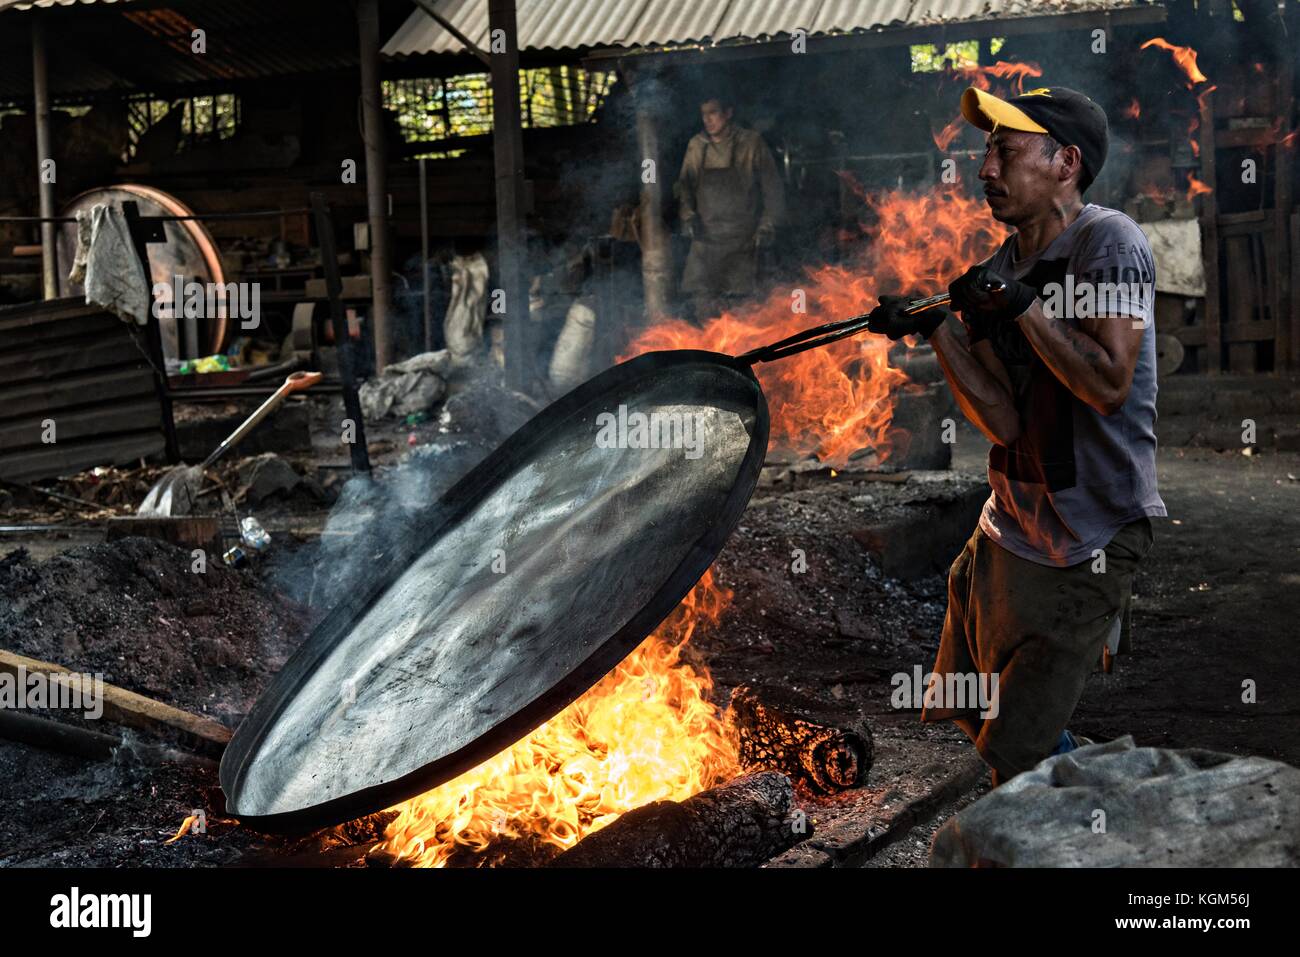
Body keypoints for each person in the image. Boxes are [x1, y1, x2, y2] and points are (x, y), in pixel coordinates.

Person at [866, 86, 1167, 786]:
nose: (985, 170)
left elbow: (1107, 383)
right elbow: (1002, 418)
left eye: (1004, 151)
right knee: (975, 707)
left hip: (1092, 530)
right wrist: (936, 327)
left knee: (1014, 755)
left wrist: (1026, 308)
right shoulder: (999, 269)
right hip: (1011, 527)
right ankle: (1091, 782)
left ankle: (1082, 822)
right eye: (986, 152)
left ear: (1065, 162)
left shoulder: (1108, 240)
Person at [675, 94, 785, 322]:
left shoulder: (751, 143)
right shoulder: (697, 146)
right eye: (703, 114)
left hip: (743, 241)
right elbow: (684, 188)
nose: (708, 120)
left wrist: (767, 226)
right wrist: (688, 217)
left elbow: (772, 189)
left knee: (741, 314)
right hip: (705, 243)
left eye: (713, 113)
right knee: (704, 311)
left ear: (728, 113)